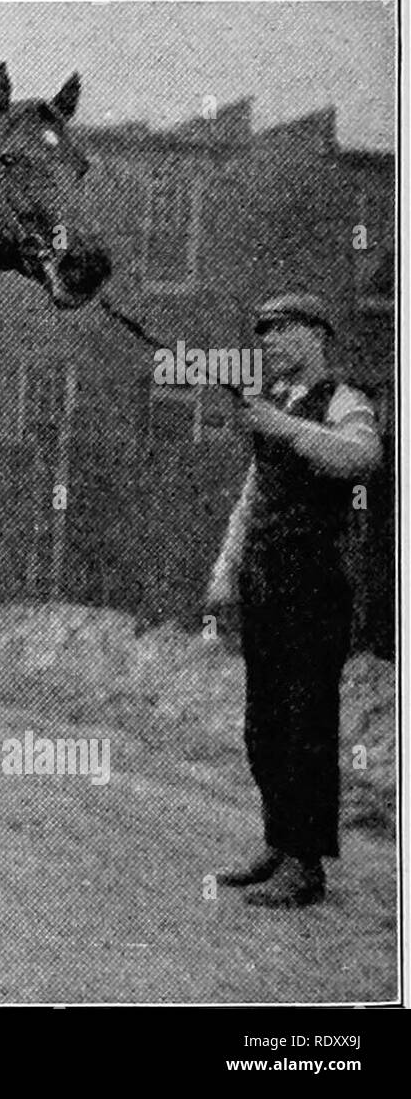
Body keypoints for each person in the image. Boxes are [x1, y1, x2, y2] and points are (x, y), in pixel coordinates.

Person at [206, 293, 381, 908]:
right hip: (266, 582)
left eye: (281, 333)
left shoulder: (344, 400)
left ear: (315, 335)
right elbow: (254, 495)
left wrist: (285, 426)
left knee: (307, 724)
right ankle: (279, 843)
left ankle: (306, 866)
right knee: (265, 724)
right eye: (264, 334)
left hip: (315, 587)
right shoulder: (273, 404)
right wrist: (227, 568)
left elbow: (363, 457)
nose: (270, 345)